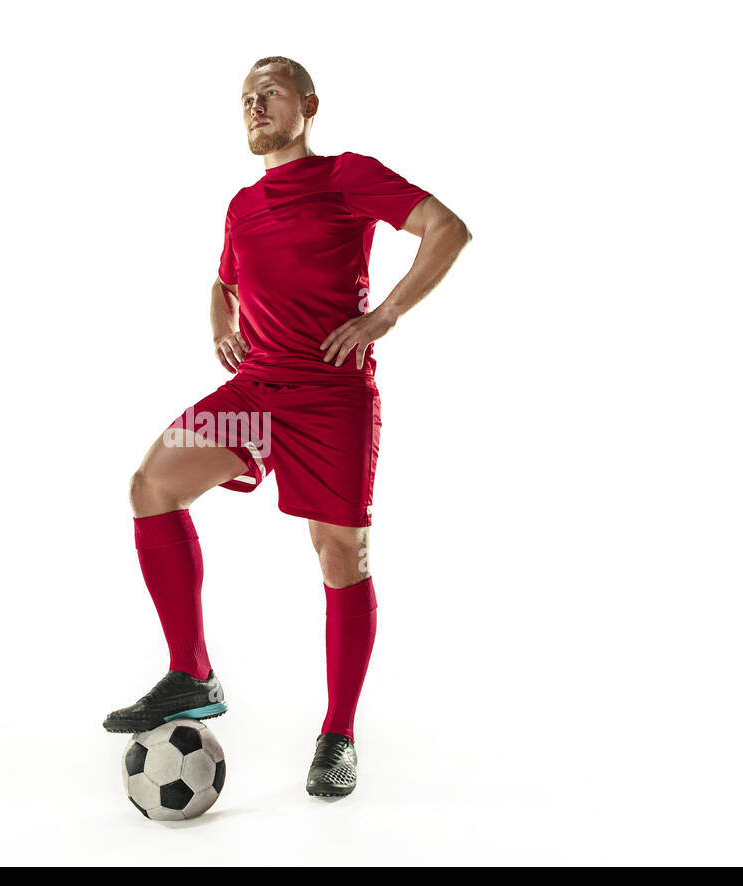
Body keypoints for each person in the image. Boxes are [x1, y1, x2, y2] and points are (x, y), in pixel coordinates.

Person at [103, 56, 472, 798]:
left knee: (342, 558)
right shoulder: (242, 204)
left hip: (333, 395)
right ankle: (191, 670)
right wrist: (221, 320)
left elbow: (446, 228)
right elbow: (224, 278)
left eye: (268, 92)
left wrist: (384, 314)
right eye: (245, 98)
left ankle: (338, 735)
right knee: (152, 485)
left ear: (308, 103)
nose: (254, 105)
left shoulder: (345, 176)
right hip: (260, 390)